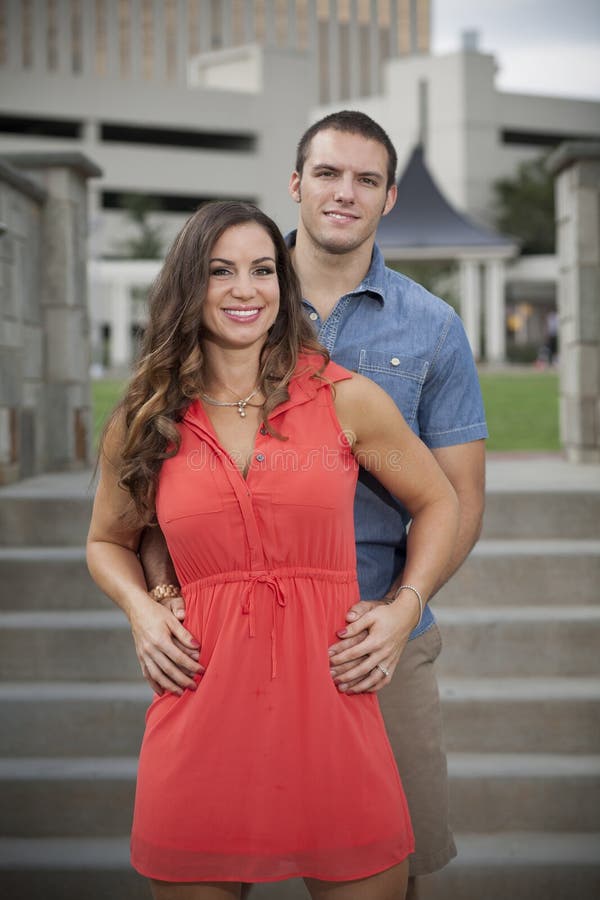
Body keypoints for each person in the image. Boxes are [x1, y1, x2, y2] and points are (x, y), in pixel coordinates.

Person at [141, 112, 488, 898]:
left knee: (386, 873)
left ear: (391, 197)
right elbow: (158, 491)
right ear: (295, 183)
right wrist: (156, 596)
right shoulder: (236, 299)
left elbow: (457, 498)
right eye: (327, 173)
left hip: (371, 646)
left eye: (367, 179)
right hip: (232, 645)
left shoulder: (429, 327)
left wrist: (403, 608)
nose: (345, 193)